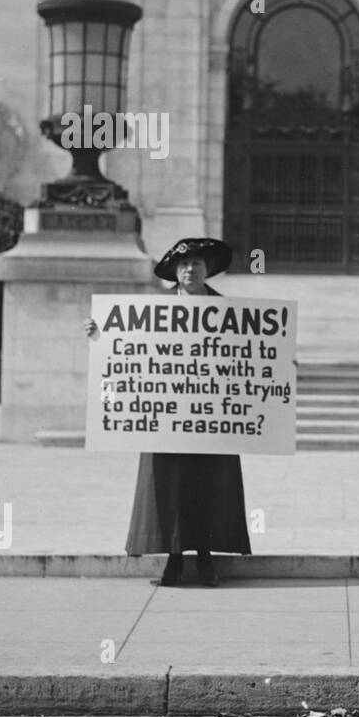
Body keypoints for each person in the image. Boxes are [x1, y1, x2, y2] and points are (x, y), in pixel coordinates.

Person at [84, 238, 251, 587]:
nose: (191, 270)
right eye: (184, 265)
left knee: (208, 485)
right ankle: (173, 560)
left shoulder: (228, 310)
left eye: (197, 264)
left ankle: (205, 560)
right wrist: (98, 332)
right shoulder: (156, 308)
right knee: (170, 485)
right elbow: (124, 342)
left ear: (208, 270)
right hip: (166, 418)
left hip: (211, 418)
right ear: (176, 272)